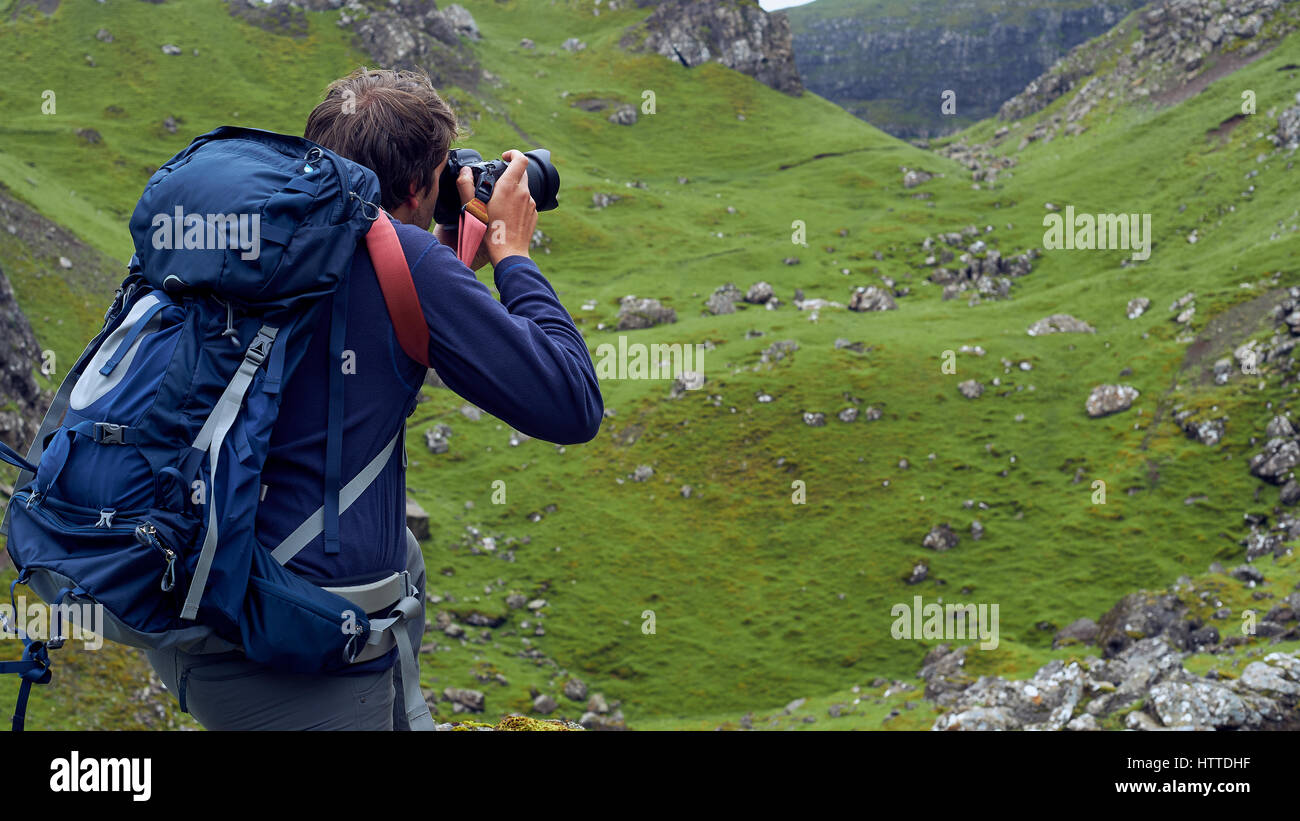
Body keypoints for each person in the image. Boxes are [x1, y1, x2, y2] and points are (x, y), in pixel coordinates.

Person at [146, 67, 604, 730]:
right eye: (444, 174)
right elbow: (571, 401)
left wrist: (442, 268)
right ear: (418, 186)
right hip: (301, 651)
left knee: (407, 557)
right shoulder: (409, 263)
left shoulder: (265, 242)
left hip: (198, 614)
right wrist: (511, 252)